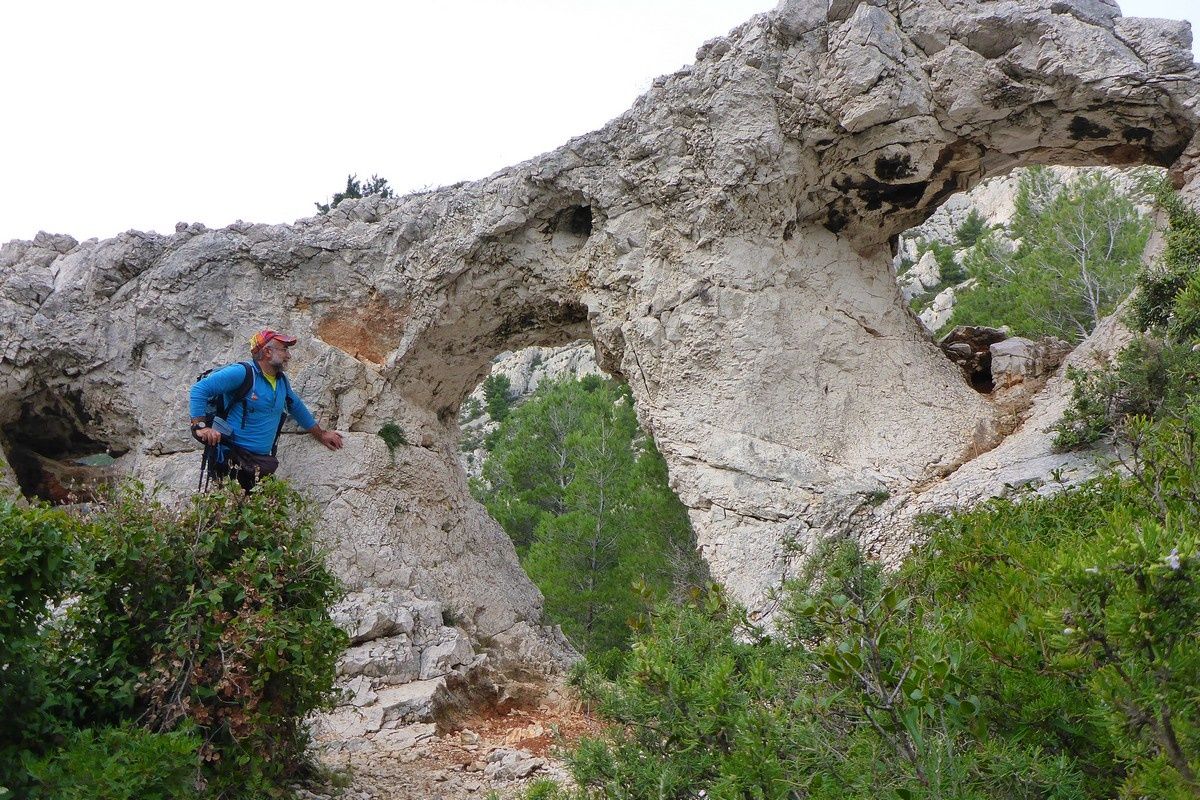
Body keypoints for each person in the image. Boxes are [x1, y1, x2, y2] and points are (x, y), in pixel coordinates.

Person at [188, 329, 343, 492]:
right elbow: (199, 390)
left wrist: (322, 434)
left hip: (259, 464)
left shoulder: (281, 381)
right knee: (228, 514)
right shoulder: (242, 373)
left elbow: (295, 406)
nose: (288, 355)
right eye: (284, 349)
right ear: (268, 351)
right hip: (230, 460)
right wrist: (200, 426)